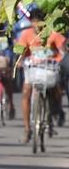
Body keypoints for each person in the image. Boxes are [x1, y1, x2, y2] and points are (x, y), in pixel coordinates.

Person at [15, 8, 66, 142]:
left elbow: (63, 50)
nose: (37, 25)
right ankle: (27, 128)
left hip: (50, 68)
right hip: (33, 69)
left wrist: (61, 60)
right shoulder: (26, 34)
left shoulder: (53, 34)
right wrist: (19, 62)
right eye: (34, 22)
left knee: (57, 89)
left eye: (40, 22)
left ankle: (57, 110)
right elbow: (21, 51)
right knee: (26, 92)